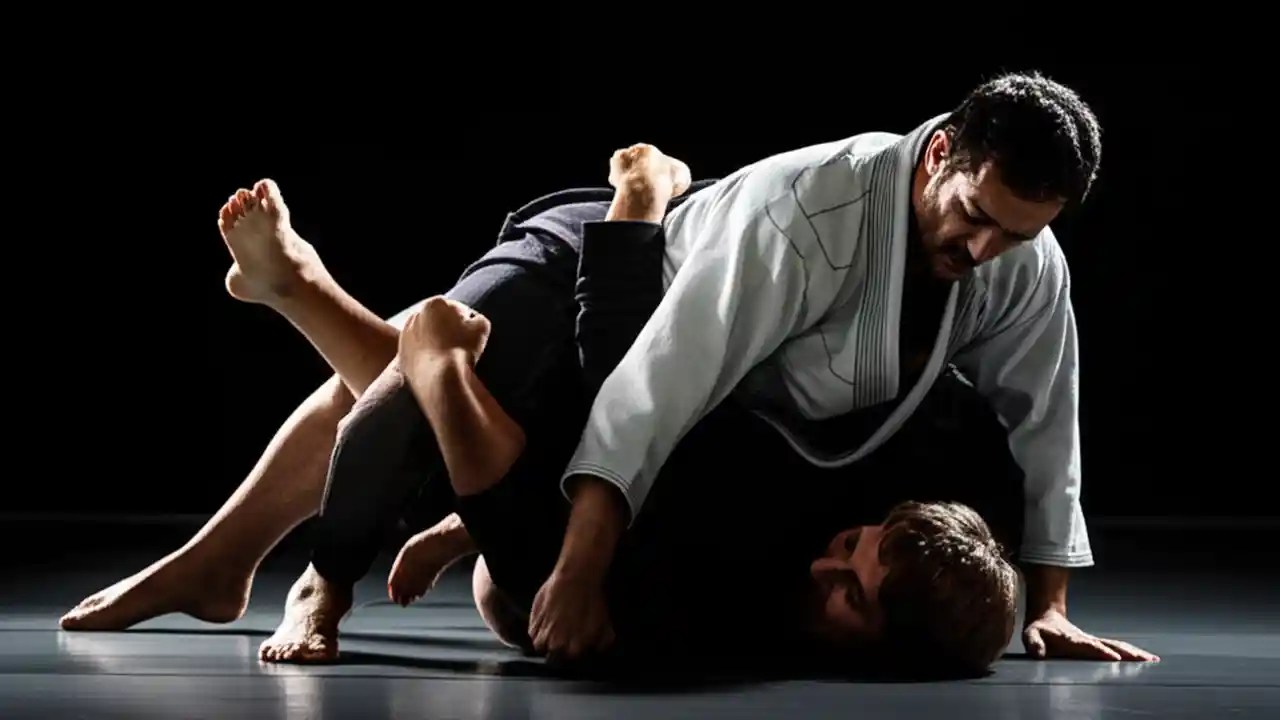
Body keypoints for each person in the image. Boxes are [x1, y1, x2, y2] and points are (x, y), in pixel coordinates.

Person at [59, 147, 1025, 676]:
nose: (825, 562)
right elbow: (636, 386)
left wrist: (631, 217)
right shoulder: (811, 500)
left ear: (888, 653)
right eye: (848, 545)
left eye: (847, 593)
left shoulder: (729, 623)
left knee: (435, 360)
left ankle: (306, 321)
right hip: (590, 462)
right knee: (473, 345)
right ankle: (238, 546)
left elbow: (536, 548)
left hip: (538, 555)